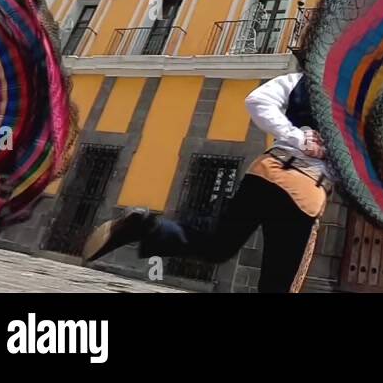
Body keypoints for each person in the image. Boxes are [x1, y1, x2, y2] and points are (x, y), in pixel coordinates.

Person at [81, 72, 332, 293]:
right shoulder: (351, 114)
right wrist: (303, 141)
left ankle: (143, 227)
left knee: (218, 245)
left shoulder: (299, 80)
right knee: (278, 283)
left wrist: (294, 136)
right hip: (304, 192)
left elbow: (257, 100)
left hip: (266, 173)